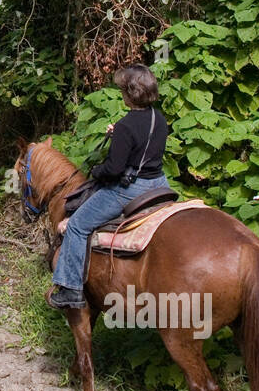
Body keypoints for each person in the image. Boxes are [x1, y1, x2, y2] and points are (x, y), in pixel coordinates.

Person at [48, 64, 171, 310]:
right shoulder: (158, 117)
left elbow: (114, 170)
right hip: (158, 183)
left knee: (78, 226)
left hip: (132, 188)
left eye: (122, 90)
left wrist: (96, 171)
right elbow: (144, 141)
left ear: (129, 93)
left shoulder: (126, 126)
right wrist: (120, 136)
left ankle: (70, 288)